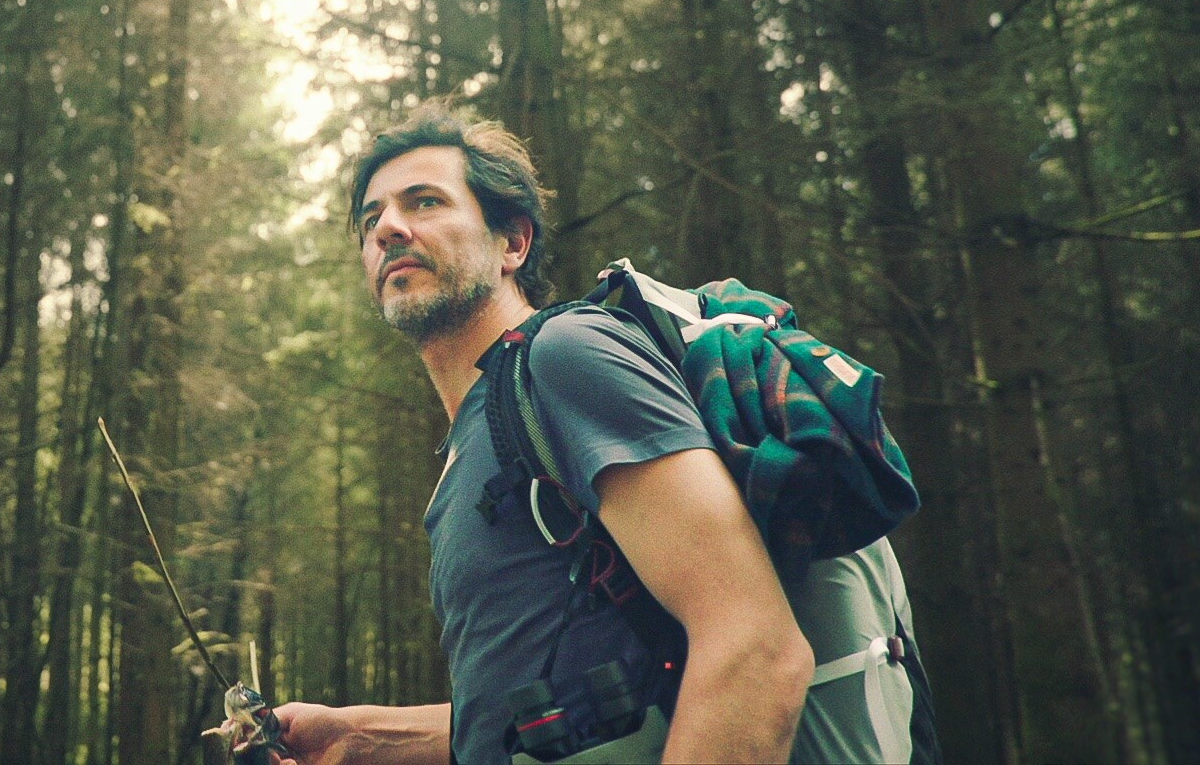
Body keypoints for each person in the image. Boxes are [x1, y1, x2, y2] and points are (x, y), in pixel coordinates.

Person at [271, 106, 813, 764]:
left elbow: (756, 648)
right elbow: (539, 716)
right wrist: (355, 738)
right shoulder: (473, 441)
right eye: (370, 219)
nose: (387, 227)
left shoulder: (563, 356)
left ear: (512, 244)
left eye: (425, 201)